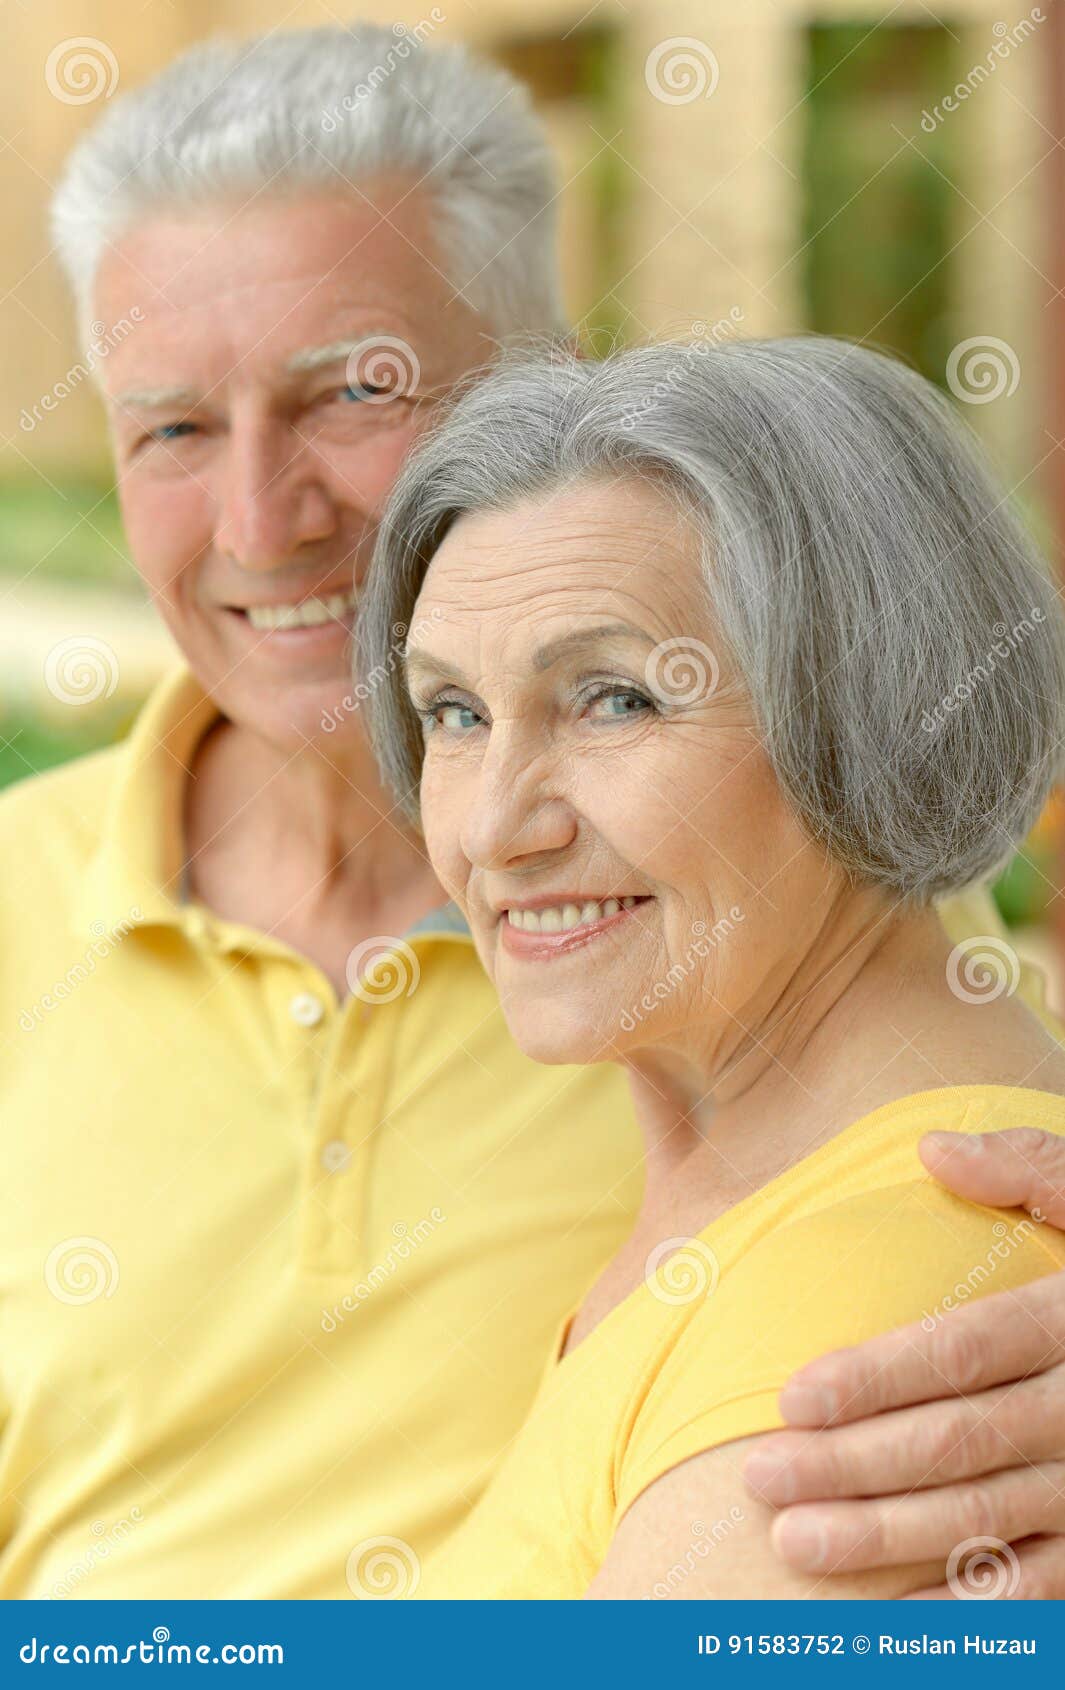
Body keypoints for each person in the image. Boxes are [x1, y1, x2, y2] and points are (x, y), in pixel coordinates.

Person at [2, 20, 1063, 1598]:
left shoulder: (797, 920)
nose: (260, 523)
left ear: (549, 386)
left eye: (350, 393)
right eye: (172, 428)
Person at [358, 334, 1065, 1597]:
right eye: (454, 712)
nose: (492, 827)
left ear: (869, 713)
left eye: (615, 698)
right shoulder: (741, 1193)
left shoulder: (876, 1316)